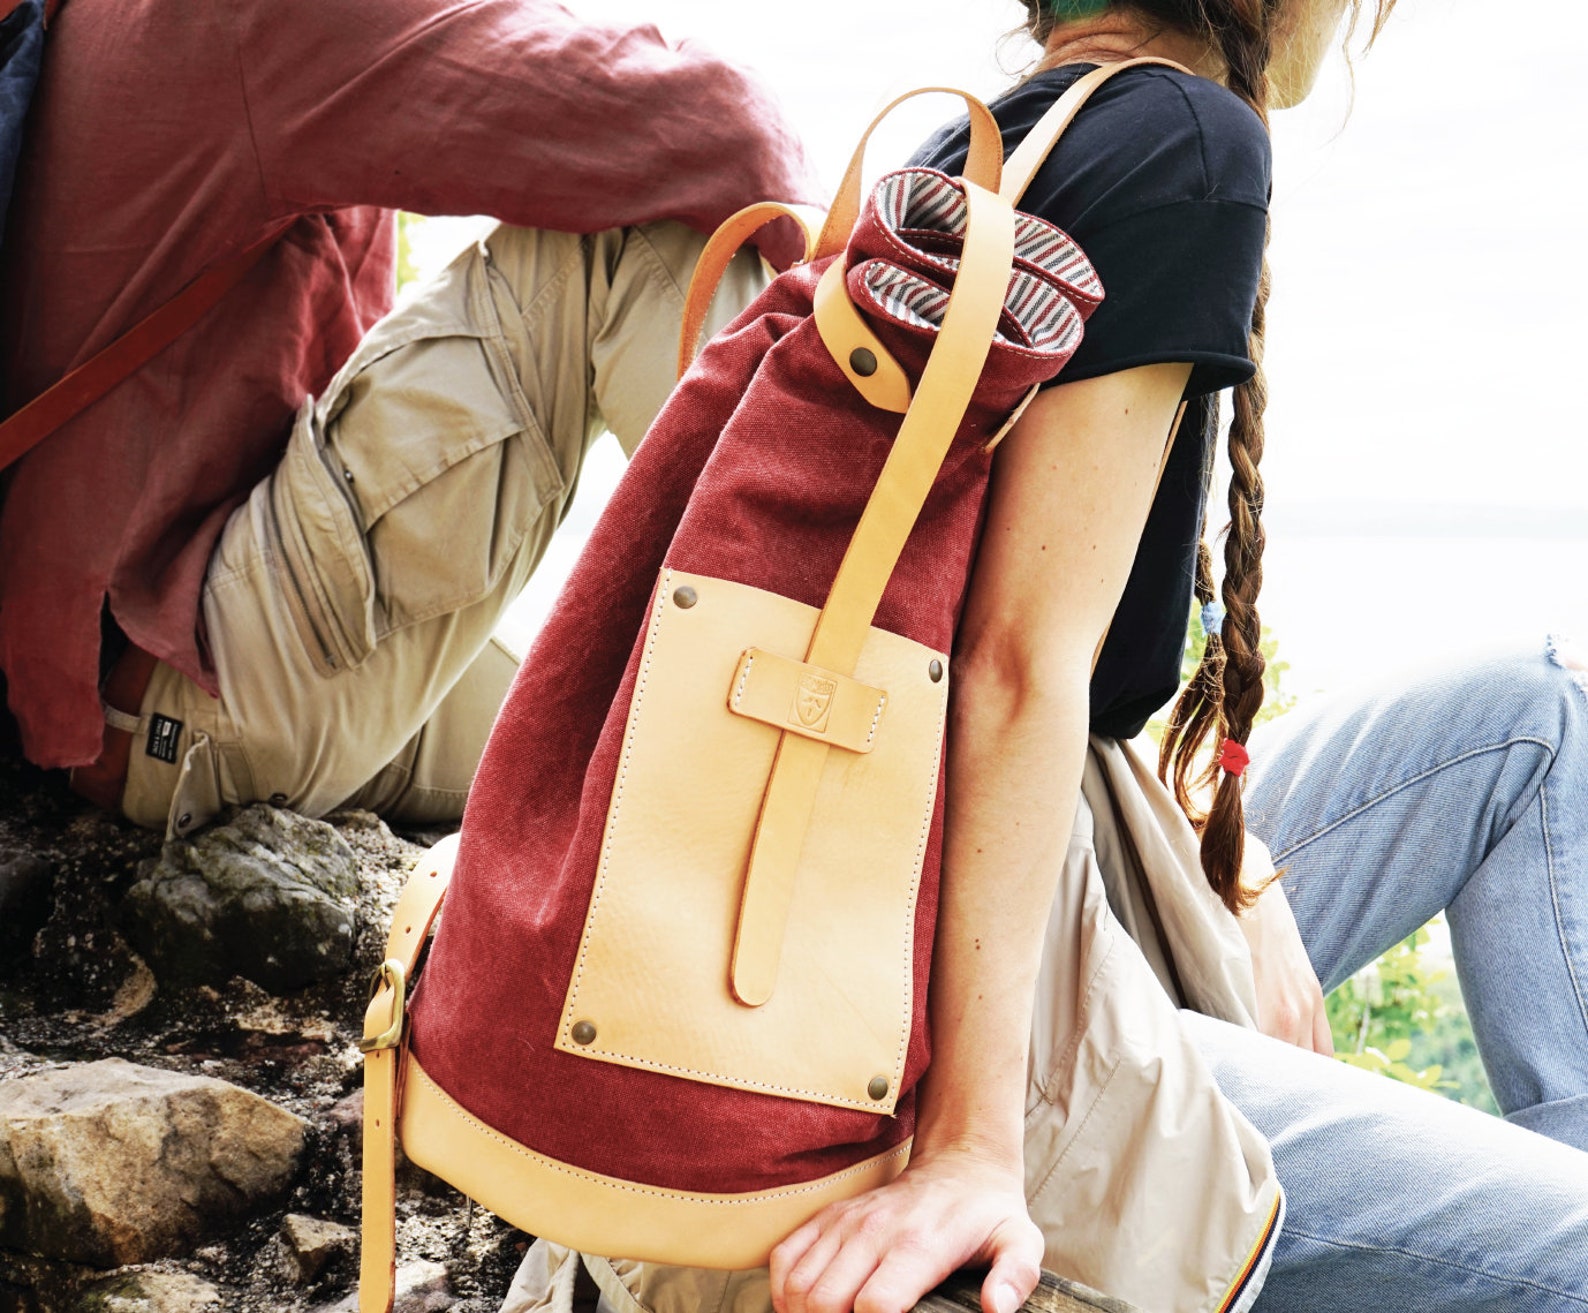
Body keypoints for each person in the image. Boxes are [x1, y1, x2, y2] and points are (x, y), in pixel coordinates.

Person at [737, 3, 1588, 1312]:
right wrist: (972, 1148)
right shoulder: (1189, 142)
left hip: (1008, 848)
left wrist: (1231, 860)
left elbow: (999, 639)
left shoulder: (1002, 137)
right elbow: (1014, 664)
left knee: (1532, 712)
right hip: (985, 981)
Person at [0, 0, 813, 836]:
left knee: (648, 759)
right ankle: (808, 691)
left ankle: (788, 763)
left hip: (147, 686)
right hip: (200, 681)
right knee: (652, 236)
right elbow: (715, 124)